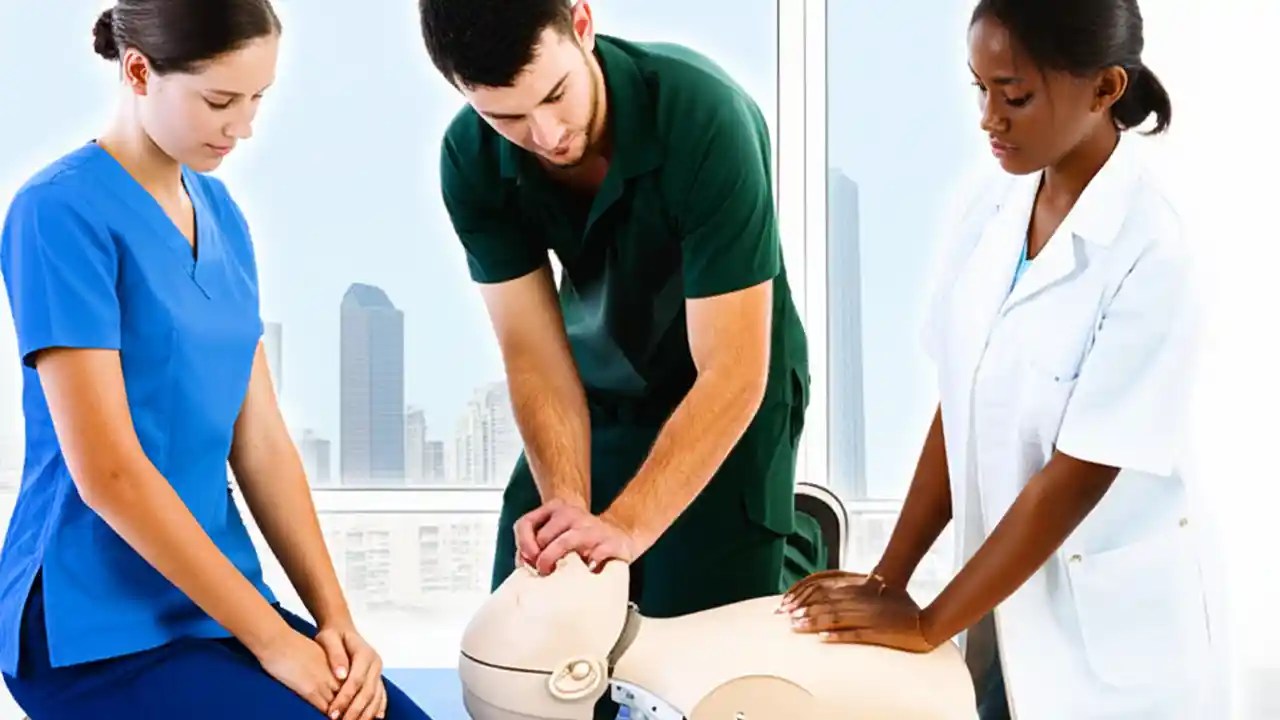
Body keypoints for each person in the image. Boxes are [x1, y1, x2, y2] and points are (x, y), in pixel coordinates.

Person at [781, 1, 1216, 718]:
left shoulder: (1151, 252)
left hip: (1108, 651)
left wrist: (928, 621)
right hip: (998, 612)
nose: (989, 117)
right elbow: (962, 405)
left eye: (1014, 95)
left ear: (1105, 89)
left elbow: (1075, 476)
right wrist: (891, 578)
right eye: (978, 89)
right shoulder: (987, 209)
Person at [0, 3, 431, 718]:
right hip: (89, 626)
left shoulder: (224, 214)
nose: (243, 126)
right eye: (219, 100)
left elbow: (260, 442)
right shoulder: (58, 212)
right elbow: (108, 473)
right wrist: (272, 643)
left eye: (258, 98)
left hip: (214, 608)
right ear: (139, 71)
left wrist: (335, 624)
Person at [419, 0, 811, 632]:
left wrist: (626, 528)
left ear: (581, 25)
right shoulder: (469, 158)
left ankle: (792, 553)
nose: (545, 135)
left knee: (706, 646)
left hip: (731, 383)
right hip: (594, 389)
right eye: (507, 116)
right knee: (534, 632)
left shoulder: (705, 115)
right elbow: (532, 355)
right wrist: (571, 507)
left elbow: (734, 369)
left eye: (554, 95)